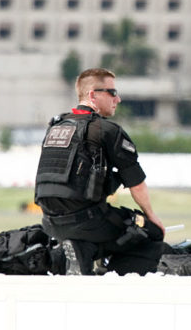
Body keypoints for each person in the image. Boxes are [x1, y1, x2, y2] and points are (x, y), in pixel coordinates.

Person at [34, 67, 166, 275]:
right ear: (93, 95)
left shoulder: (56, 127)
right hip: (87, 222)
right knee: (151, 232)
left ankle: (72, 253)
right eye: (112, 93)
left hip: (50, 223)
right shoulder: (107, 131)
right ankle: (95, 260)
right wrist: (151, 216)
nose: (118, 99)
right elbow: (136, 183)